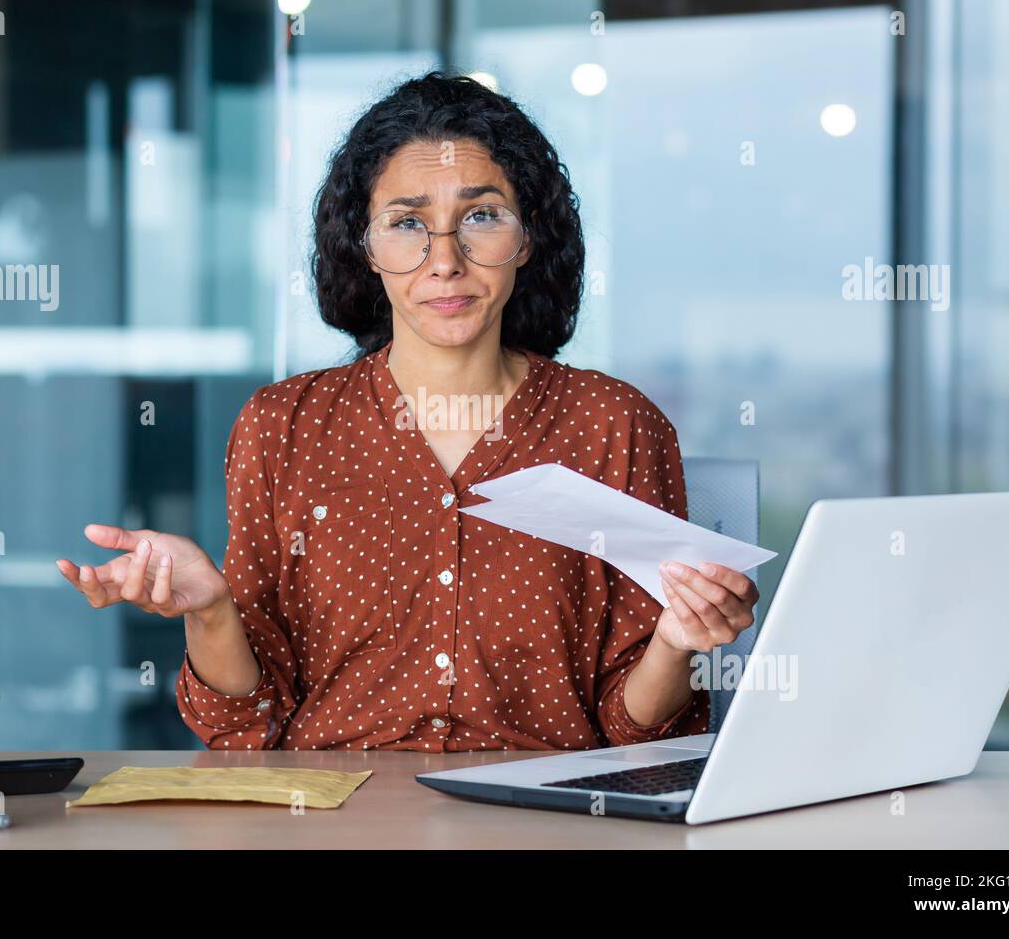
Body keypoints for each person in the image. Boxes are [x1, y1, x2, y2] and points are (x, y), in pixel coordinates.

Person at [56, 71, 758, 752]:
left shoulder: (613, 424)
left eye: (481, 216)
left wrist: (675, 640)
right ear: (364, 246)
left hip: (542, 826)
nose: (444, 259)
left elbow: (635, 733)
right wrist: (210, 611)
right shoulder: (282, 427)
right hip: (330, 822)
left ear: (528, 237)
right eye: (406, 223)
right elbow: (248, 728)